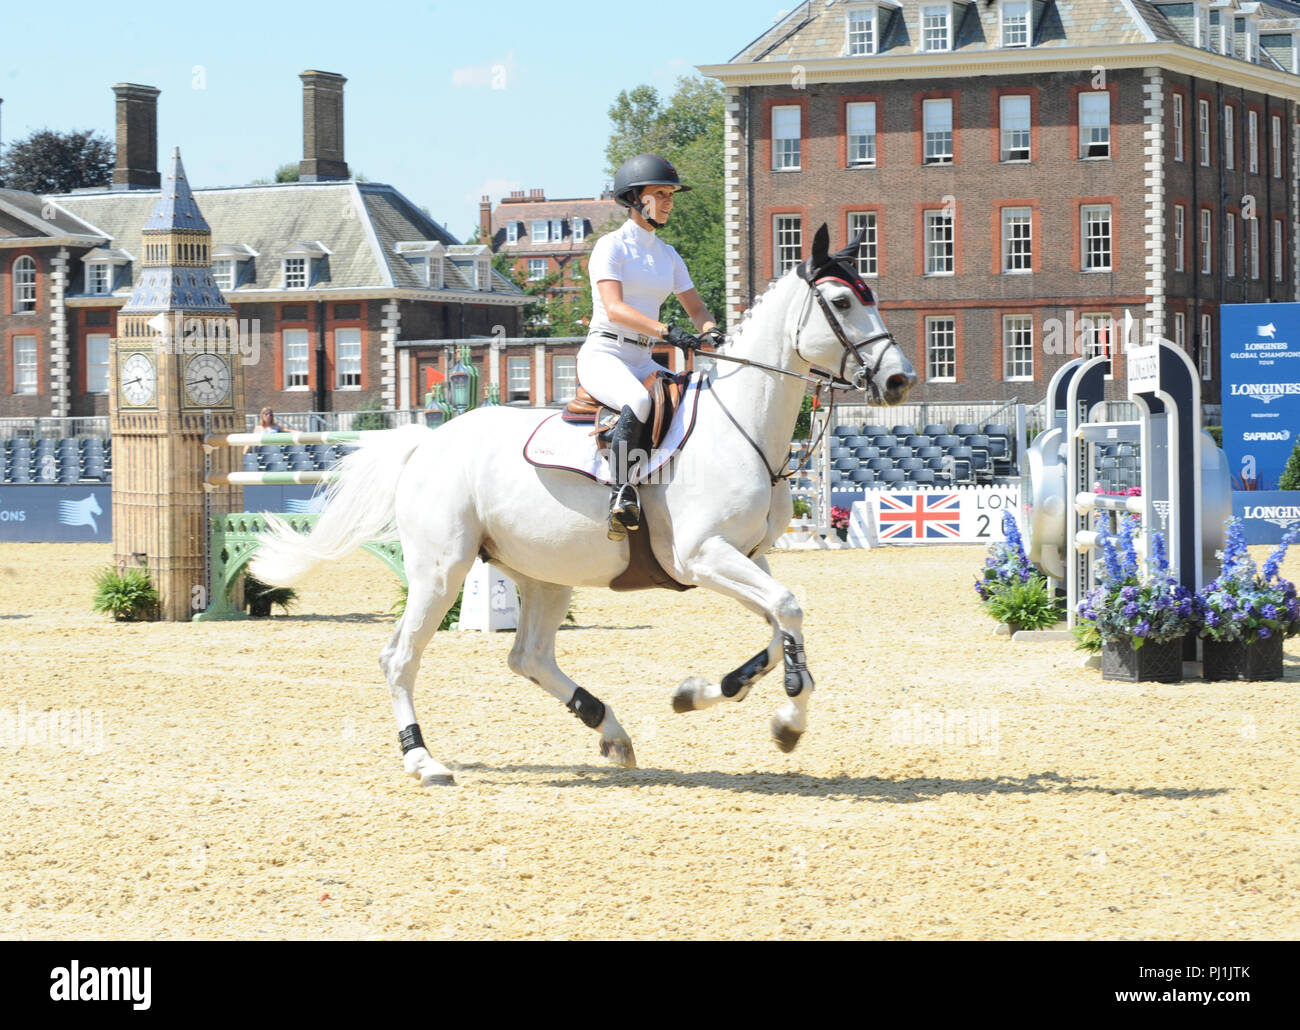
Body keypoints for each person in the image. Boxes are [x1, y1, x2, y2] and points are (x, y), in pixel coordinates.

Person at [581, 153, 724, 541]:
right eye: (660, 193)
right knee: (640, 402)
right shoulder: (610, 247)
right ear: (634, 199)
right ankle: (621, 493)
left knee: (695, 400)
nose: (668, 201)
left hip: (642, 357)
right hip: (605, 354)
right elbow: (614, 308)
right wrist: (667, 331)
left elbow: (696, 308)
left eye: (671, 194)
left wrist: (711, 332)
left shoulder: (668, 255)